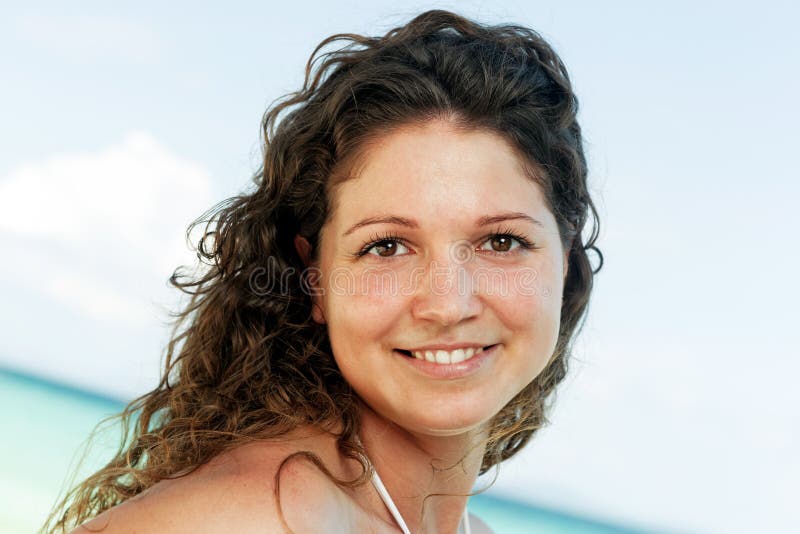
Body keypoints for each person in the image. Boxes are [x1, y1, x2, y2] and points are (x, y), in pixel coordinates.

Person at [46, 9, 602, 534]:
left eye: (501, 241)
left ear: (567, 264)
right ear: (315, 282)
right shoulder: (254, 518)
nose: (448, 304)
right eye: (387, 247)